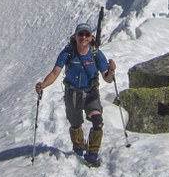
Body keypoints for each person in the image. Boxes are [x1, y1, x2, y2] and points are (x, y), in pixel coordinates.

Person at [37, 23, 115, 162]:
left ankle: (92, 153)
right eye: (81, 34)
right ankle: (79, 145)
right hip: (72, 94)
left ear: (91, 37)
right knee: (75, 123)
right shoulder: (68, 52)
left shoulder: (96, 54)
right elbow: (55, 73)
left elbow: (107, 77)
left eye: (86, 34)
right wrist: (42, 85)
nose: (83, 37)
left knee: (97, 121)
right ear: (75, 36)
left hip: (91, 93)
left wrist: (111, 71)